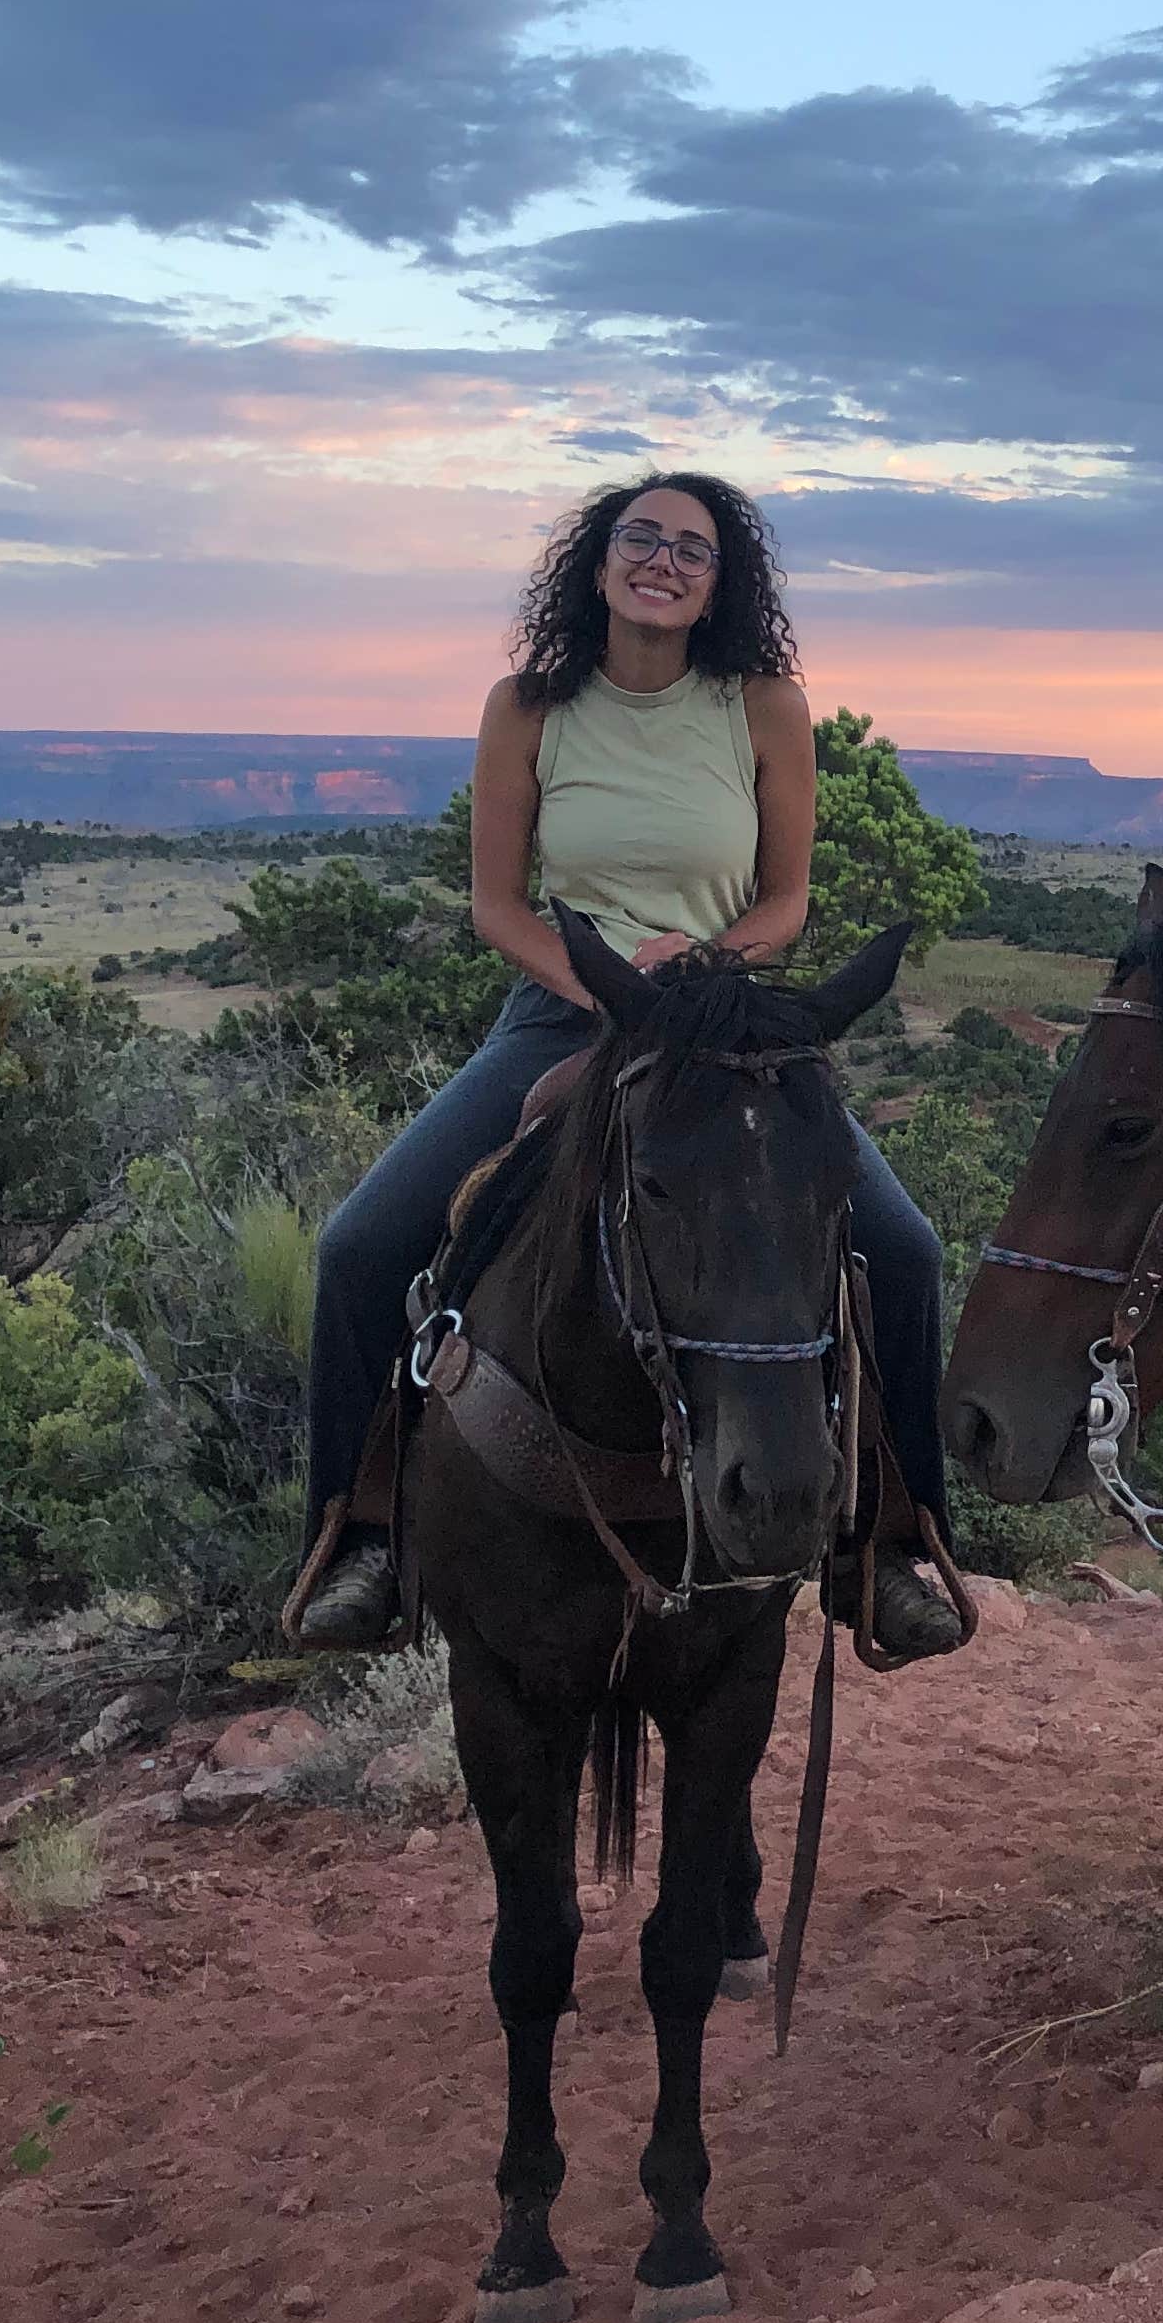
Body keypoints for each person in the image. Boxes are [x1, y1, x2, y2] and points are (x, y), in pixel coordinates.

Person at [292, 468, 966, 1661]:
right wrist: (606, 982)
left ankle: (890, 1546)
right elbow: (496, 905)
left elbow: (788, 900)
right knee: (359, 1247)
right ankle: (363, 1540)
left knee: (902, 1251)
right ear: (597, 564)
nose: (661, 560)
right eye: (638, 538)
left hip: (719, 1023)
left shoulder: (762, 706)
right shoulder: (532, 705)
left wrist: (697, 969)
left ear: (720, 583)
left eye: (690, 549)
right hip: (564, 1014)